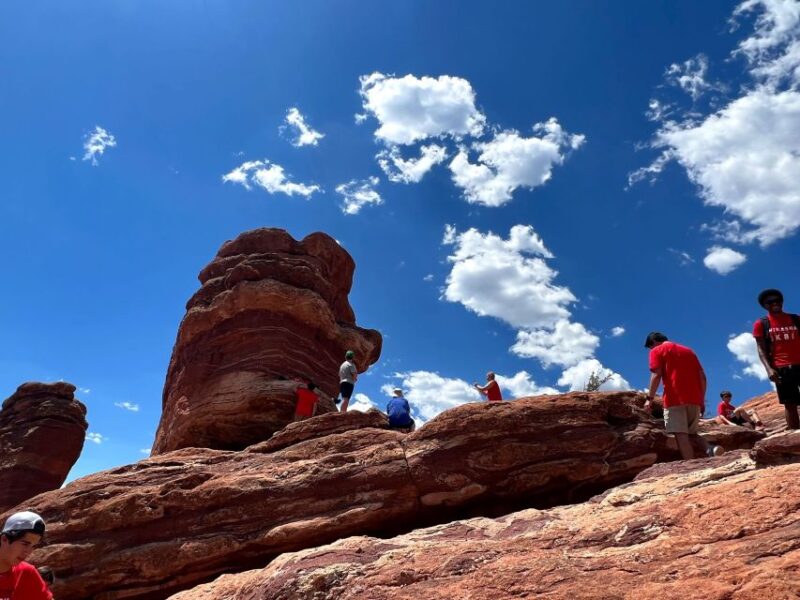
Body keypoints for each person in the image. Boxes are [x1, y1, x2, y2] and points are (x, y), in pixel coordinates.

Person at [644, 332, 721, 460]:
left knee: (681, 435)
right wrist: (701, 400)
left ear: (654, 342)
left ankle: (690, 466)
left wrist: (649, 399)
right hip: (695, 398)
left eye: (650, 347)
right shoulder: (688, 351)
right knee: (692, 433)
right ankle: (710, 448)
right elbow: (702, 377)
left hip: (674, 399)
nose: (651, 349)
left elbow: (656, 374)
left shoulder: (657, 350)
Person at [753, 288, 800, 430]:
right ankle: (795, 440)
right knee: (790, 404)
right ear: (765, 305)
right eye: (770, 302)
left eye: (778, 300)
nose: (775, 303)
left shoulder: (795, 319)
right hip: (781, 368)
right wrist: (769, 369)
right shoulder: (761, 324)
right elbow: (761, 349)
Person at [0, 511, 53, 600]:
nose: (28, 552)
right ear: (4, 539)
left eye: (33, 546)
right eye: (25, 544)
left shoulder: (27, 573)